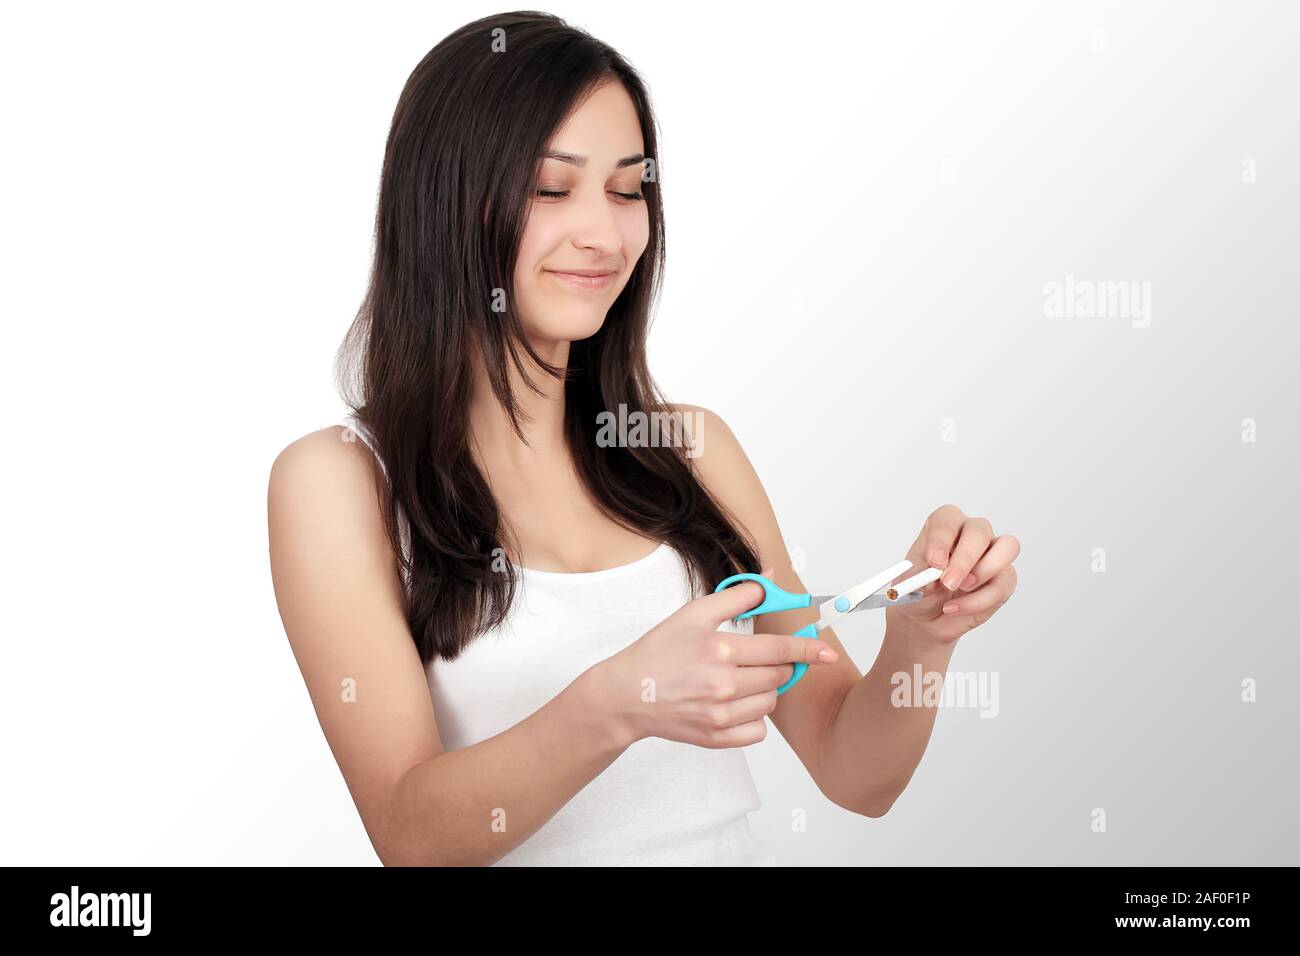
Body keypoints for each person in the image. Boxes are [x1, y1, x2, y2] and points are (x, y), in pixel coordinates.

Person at [267, 11, 1020, 866]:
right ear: (443, 200)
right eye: (553, 188)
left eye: (629, 190)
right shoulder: (337, 482)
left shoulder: (691, 449)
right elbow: (409, 834)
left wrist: (922, 640)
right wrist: (623, 701)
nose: (606, 233)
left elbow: (857, 774)